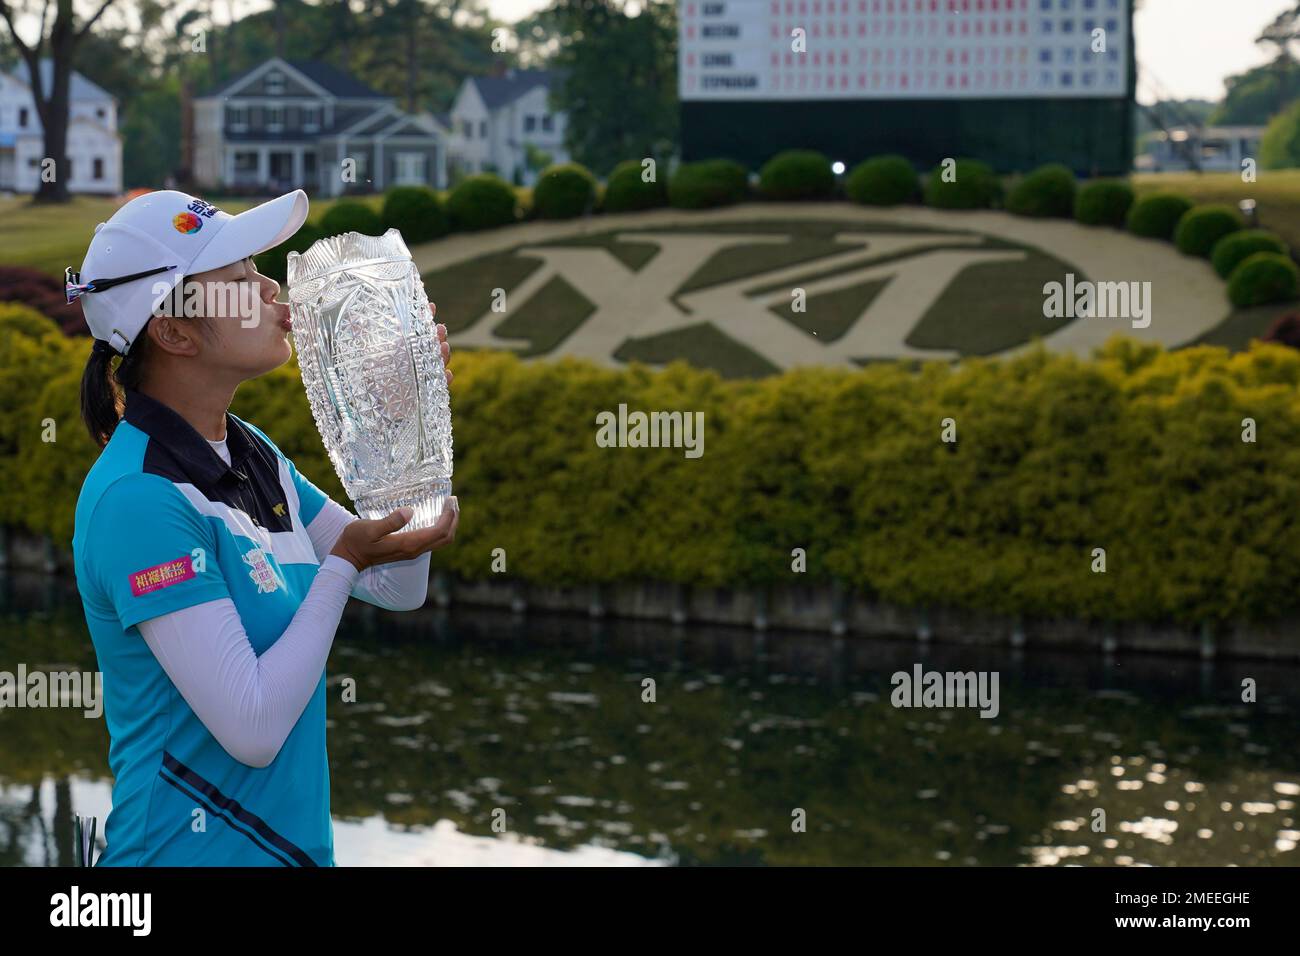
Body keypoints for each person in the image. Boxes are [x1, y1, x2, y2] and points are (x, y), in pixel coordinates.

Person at [69, 188, 458, 866]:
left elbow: (398, 581)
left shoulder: (249, 451)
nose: (270, 286)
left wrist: (402, 416)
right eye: (239, 278)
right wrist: (342, 567)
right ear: (175, 331)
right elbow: (253, 728)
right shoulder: (138, 497)